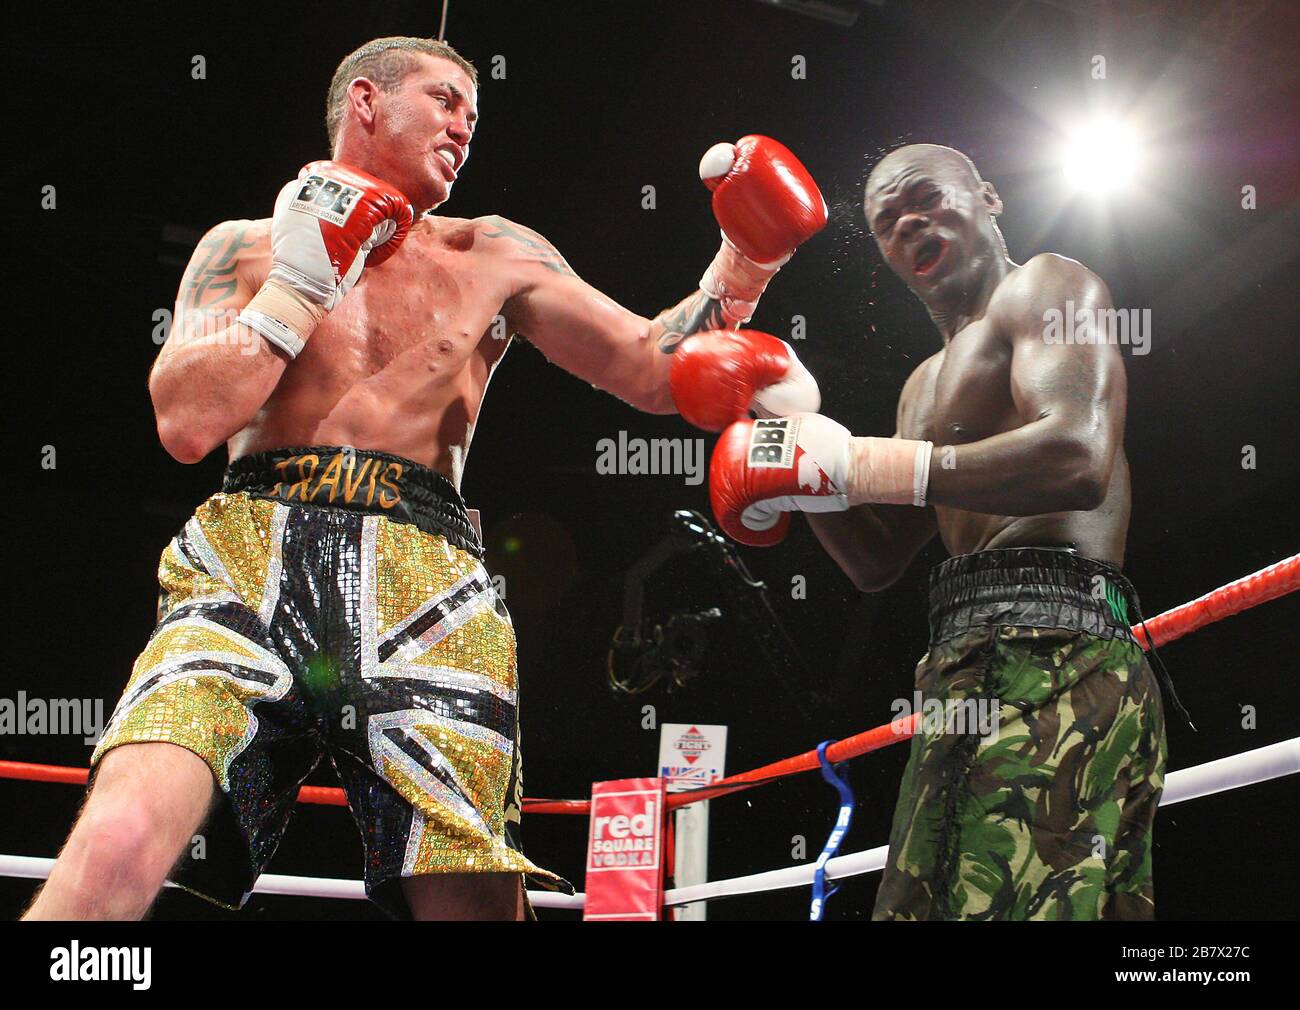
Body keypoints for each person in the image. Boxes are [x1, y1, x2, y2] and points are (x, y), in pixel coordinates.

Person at [24, 36, 825, 921]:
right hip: (250, 552)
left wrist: (745, 262)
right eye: (445, 101)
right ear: (365, 102)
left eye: (474, 116)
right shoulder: (240, 249)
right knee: (123, 836)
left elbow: (651, 366)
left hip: (428, 572)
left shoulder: (495, 253)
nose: (464, 128)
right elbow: (185, 421)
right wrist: (301, 277)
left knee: (471, 900)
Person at [701, 143, 1169, 920]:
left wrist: (861, 463)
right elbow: (877, 561)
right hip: (963, 656)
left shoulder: (1048, 284)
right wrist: (795, 446)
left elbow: (1077, 457)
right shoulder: (921, 386)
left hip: (1058, 641)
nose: (908, 220)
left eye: (926, 197)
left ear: (987, 197)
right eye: (887, 220)